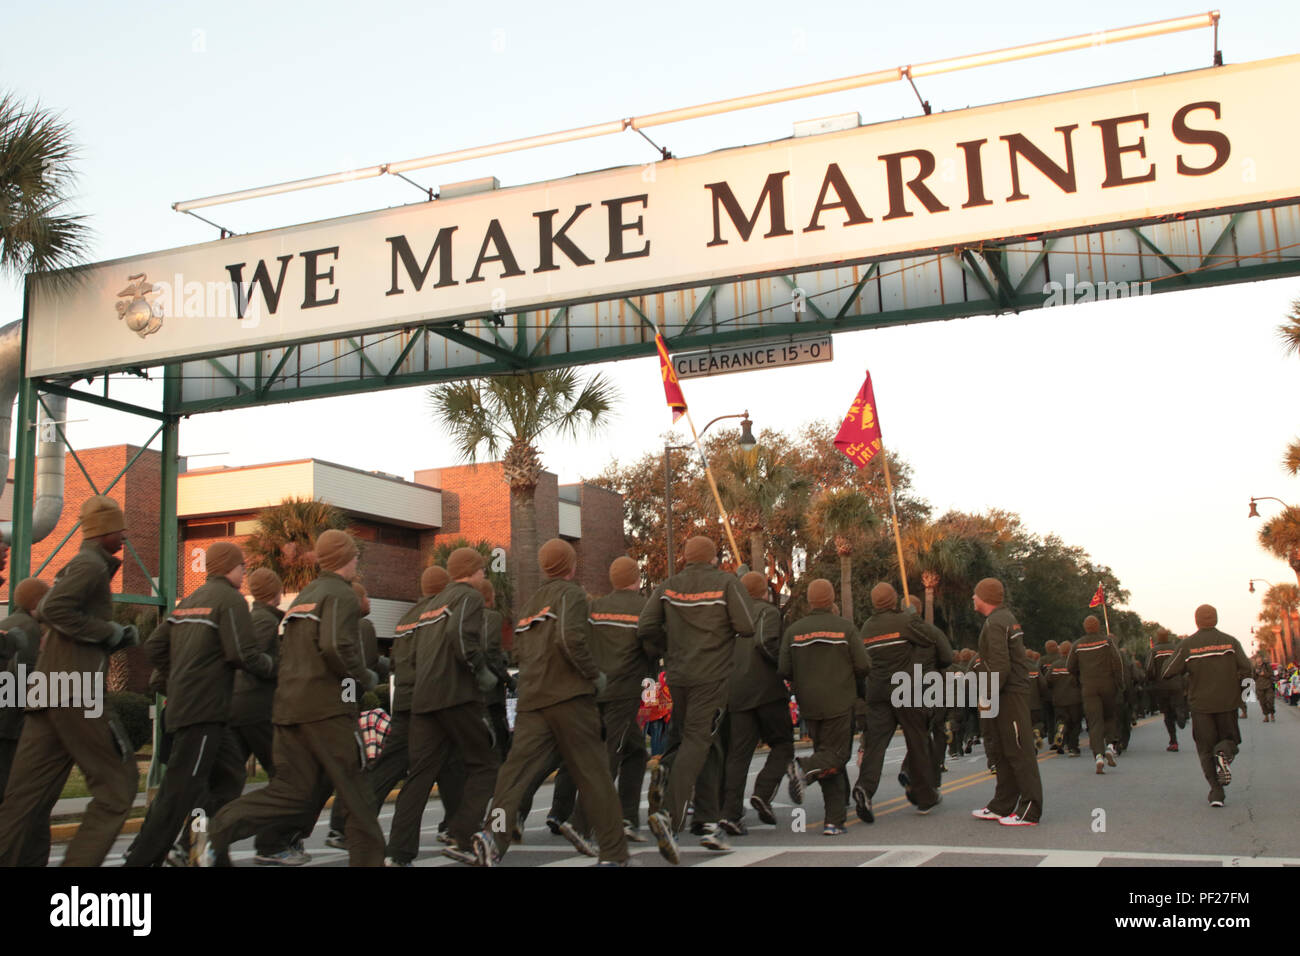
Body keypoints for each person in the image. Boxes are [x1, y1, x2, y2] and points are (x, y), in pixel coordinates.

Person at [206, 530, 384, 866]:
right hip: (327, 711)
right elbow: (335, 647)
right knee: (357, 792)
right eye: (355, 554)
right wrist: (364, 678)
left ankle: (217, 828)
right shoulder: (341, 594)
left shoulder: (306, 595)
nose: (357, 559)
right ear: (346, 557)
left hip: (288, 710)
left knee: (291, 792)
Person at [0, 496, 140, 867]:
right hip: (76, 693)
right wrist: (110, 632)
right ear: (103, 531)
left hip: (47, 694)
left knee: (23, 802)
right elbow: (54, 608)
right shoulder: (90, 565)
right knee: (118, 788)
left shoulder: (80, 566)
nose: (124, 534)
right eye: (119, 528)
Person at [472, 539, 629, 867]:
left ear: (545, 566)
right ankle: (614, 853)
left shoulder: (530, 604)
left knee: (514, 775)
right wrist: (593, 676)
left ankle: (493, 834)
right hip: (569, 697)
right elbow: (570, 639)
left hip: (532, 700)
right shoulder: (570, 594)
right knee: (594, 775)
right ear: (570, 565)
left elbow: (519, 652)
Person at [126, 542, 275, 866]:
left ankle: (206, 847)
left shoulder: (189, 601)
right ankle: (141, 858)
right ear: (226, 566)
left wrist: (176, 679)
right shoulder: (230, 600)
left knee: (230, 776)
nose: (245, 570)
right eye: (241, 565)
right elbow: (242, 654)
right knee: (178, 792)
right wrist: (275, 668)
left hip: (205, 712)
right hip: (203, 713)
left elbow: (155, 646)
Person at [638, 535, 754, 861]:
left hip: (679, 676)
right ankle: (669, 815)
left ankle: (706, 822)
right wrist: (740, 584)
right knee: (696, 742)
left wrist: (668, 648)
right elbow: (746, 626)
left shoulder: (667, 586)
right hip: (712, 677)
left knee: (709, 745)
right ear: (713, 557)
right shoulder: (725, 583)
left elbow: (645, 627)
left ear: (687, 557)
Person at [387, 547, 499, 865]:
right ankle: (463, 835)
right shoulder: (469, 598)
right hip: (456, 695)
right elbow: (461, 637)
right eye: (482, 570)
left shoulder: (431, 605)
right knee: (486, 763)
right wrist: (481, 671)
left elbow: (416, 653)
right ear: (473, 571)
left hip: (423, 700)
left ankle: (397, 852)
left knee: (419, 776)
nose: (484, 575)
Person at [550, 556, 653, 842]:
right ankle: (581, 822)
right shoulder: (644, 608)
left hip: (595, 690)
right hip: (623, 693)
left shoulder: (594, 608)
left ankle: (628, 818)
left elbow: (578, 640)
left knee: (635, 753)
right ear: (636, 579)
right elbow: (653, 645)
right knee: (609, 757)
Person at [781, 579, 869, 836]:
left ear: (810, 600)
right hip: (839, 701)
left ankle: (834, 820)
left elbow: (784, 669)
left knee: (827, 758)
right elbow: (864, 665)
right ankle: (803, 768)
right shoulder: (845, 628)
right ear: (831, 599)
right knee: (837, 756)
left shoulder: (794, 631)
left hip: (809, 704)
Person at [853, 582, 943, 823]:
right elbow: (929, 638)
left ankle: (865, 788)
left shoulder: (867, 628)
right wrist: (914, 617)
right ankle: (924, 796)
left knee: (875, 744)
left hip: (877, 691)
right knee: (918, 741)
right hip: (904, 688)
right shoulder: (904, 622)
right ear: (894, 600)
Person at [719, 571, 792, 833]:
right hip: (766, 690)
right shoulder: (767, 611)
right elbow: (765, 641)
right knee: (783, 744)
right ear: (763, 591)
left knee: (738, 755)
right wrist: (783, 668)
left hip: (735, 691)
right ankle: (762, 791)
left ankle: (730, 813)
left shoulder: (728, 616)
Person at [968, 578, 1043, 827]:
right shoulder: (1002, 618)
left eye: (976, 594)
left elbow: (1001, 665)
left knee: (1019, 750)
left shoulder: (996, 622)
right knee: (1003, 751)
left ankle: (1029, 810)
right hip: (1005, 692)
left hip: (1009, 694)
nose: (973, 598)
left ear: (985, 597)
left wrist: (987, 697)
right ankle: (1002, 805)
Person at [1161, 605, 1251, 807]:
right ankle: (1224, 752)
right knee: (1232, 740)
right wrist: (1245, 696)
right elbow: (1247, 668)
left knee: (1204, 749)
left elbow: (1167, 671)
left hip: (1201, 706)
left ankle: (1216, 792)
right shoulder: (1231, 642)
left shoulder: (1188, 645)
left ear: (1197, 621)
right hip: (1228, 702)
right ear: (1216, 619)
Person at [0, 578, 50, 867]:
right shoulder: (32, 632)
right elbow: (28, 679)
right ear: (36, 603)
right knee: (31, 805)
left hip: (5, 725)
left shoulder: (7, 622)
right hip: (17, 729)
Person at [1066, 615, 1123, 774]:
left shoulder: (1077, 645)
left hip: (1088, 687)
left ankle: (1098, 755)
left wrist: (1080, 677)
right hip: (1107, 685)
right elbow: (1117, 662)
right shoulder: (1107, 642)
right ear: (1098, 626)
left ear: (1085, 627)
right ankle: (1111, 747)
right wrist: (1119, 683)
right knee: (1109, 716)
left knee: (1094, 721)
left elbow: (1069, 666)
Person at [1145, 627, 1186, 750]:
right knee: (1178, 705)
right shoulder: (1176, 649)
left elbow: (1148, 668)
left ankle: (1173, 741)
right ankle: (1180, 713)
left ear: (1158, 637)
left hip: (1161, 686)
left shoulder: (1154, 651)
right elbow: (1184, 664)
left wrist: (1151, 680)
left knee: (1167, 714)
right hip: (1176, 684)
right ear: (1168, 636)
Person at [1046, 640, 1082, 756]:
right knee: (1075, 723)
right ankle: (1073, 748)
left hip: (1059, 700)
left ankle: (1060, 729)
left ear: (1060, 651)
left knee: (1061, 719)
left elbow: (1047, 681)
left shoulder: (1054, 665)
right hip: (1075, 700)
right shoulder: (1076, 664)